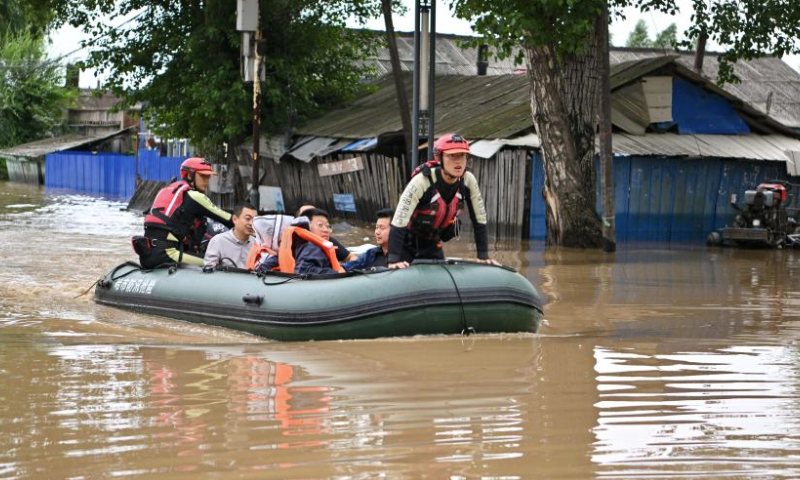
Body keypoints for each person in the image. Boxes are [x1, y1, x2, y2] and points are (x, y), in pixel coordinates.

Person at [387, 133, 499, 269]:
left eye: (462, 155)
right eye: (452, 156)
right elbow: (399, 220)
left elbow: (480, 219)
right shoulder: (422, 181)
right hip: (406, 245)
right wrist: (393, 260)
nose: (458, 161)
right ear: (439, 158)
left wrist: (483, 256)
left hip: (433, 244)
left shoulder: (468, 180)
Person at [134, 157, 233, 269]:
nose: (207, 181)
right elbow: (230, 220)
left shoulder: (166, 191)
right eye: (203, 176)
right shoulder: (195, 196)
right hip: (167, 254)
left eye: (208, 177)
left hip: (148, 253)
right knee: (219, 262)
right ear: (190, 176)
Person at [276, 208, 345, 275]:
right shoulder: (312, 247)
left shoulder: (296, 245)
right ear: (308, 227)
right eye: (320, 225)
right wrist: (336, 273)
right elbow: (304, 270)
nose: (326, 230)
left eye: (327, 226)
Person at [203, 202, 257, 269]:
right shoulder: (218, 241)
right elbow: (209, 270)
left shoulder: (257, 244)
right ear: (235, 219)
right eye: (248, 219)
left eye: (255, 220)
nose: (251, 223)